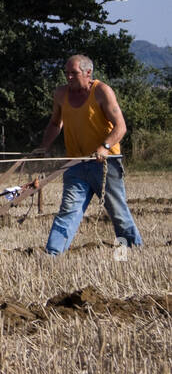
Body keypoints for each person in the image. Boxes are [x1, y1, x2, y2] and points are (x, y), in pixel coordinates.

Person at [31, 54, 141, 255]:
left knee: (118, 213)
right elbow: (56, 123)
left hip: (105, 163)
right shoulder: (61, 94)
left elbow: (121, 127)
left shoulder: (102, 92)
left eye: (74, 73)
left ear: (88, 73)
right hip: (75, 164)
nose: (69, 77)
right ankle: (53, 254)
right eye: (67, 73)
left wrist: (104, 147)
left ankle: (131, 252)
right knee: (68, 212)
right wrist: (44, 146)